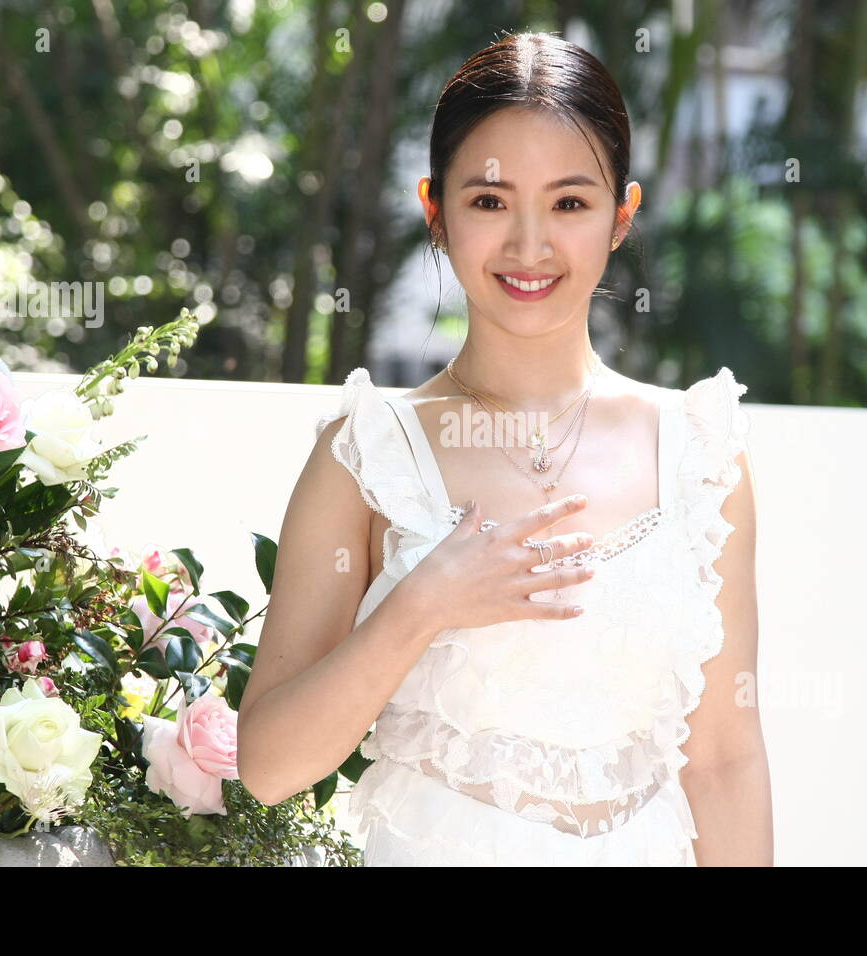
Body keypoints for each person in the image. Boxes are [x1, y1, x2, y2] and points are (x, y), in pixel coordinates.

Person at [238, 30, 772, 866]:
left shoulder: (701, 454)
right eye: (489, 201)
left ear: (621, 216)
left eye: (569, 202)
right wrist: (423, 603)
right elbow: (270, 768)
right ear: (435, 212)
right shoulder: (366, 453)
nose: (529, 246)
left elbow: (726, 761)